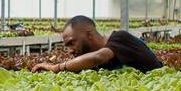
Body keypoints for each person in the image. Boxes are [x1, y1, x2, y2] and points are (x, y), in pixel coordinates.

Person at [32, 15, 164, 73]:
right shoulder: (95, 64)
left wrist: (56, 68)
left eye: (72, 43)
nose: (70, 50)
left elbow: (98, 57)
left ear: (89, 35)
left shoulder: (119, 38)